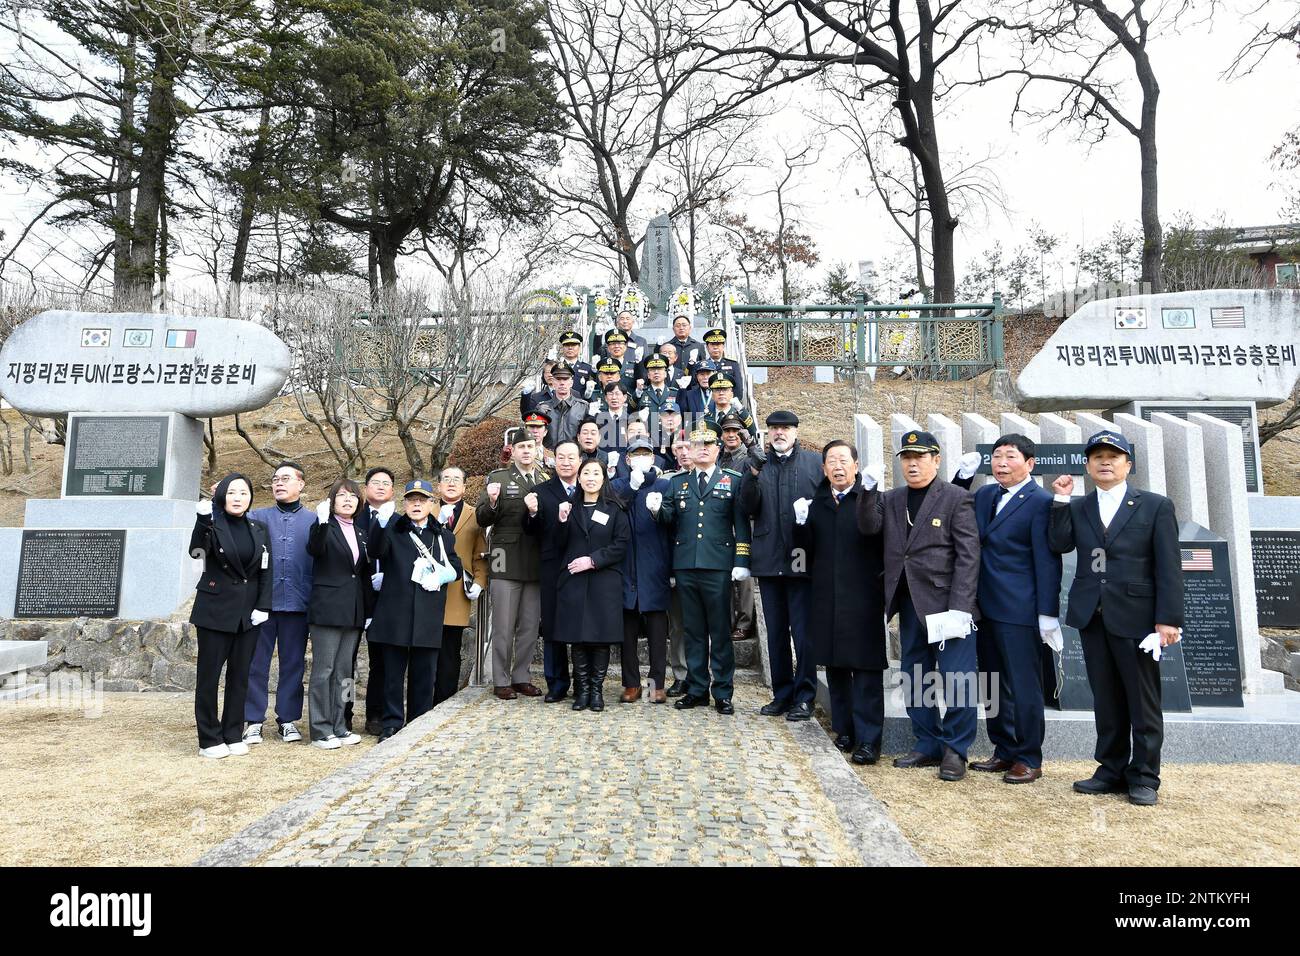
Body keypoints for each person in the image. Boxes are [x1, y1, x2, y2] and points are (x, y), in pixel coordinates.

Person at [1049, 430, 1183, 806]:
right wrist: (1061, 499)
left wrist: (1168, 619)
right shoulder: (1080, 506)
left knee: (1142, 701)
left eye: (1113, 456)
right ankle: (1109, 769)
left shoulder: (1155, 506)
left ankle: (1144, 776)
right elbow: (1058, 544)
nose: (1104, 462)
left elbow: (1169, 566)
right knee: (1105, 699)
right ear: (1088, 466)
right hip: (1093, 615)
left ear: (1128, 464)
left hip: (1138, 618)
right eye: (1097, 457)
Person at [856, 430, 981, 781]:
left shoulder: (956, 497)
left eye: (920, 457)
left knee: (958, 679)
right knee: (915, 676)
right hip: (910, 601)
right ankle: (926, 742)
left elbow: (969, 556)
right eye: (907, 458)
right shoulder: (893, 498)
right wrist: (867, 490)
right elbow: (868, 527)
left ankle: (955, 748)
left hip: (947, 605)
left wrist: (961, 606)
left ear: (936, 460)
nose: (912, 464)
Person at [963, 434, 1063, 784]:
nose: (1001, 463)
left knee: (1024, 686)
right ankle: (1003, 749)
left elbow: (1048, 562)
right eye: (997, 457)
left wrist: (1047, 613)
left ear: (1030, 463)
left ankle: (1029, 756)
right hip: (983, 606)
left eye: (1010, 457)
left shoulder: (1040, 501)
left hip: (1020, 609)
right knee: (992, 683)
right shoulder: (986, 495)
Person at [792, 441, 887, 765]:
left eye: (843, 460)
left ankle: (869, 740)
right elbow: (804, 553)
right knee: (835, 668)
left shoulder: (870, 499)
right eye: (831, 461)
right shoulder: (817, 504)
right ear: (823, 469)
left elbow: (877, 535)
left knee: (865, 671)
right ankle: (844, 730)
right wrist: (800, 523)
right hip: (826, 598)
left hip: (863, 599)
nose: (837, 466)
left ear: (856, 466)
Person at [651, 420, 751, 714]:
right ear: (689, 451)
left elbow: (741, 526)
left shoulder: (732, 480)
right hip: (685, 565)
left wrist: (741, 561)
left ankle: (722, 692)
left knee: (719, 631)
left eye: (708, 445)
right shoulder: (678, 483)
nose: (703, 450)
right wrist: (658, 510)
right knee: (693, 631)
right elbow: (669, 522)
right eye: (697, 445)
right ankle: (696, 689)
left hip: (718, 566)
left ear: (718, 449)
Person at [739, 409, 821, 720]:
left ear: (796, 432)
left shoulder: (813, 464)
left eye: (785, 428)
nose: (779, 434)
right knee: (775, 633)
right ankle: (782, 693)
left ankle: (805, 695)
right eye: (774, 429)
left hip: (801, 559)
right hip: (769, 558)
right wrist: (752, 475)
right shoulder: (758, 464)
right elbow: (747, 506)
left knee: (803, 633)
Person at [367, 479, 463, 739]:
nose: (417, 504)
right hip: (395, 613)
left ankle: (418, 722)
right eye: (411, 500)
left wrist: (442, 576)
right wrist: (380, 524)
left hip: (427, 614)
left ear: (432, 503)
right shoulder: (393, 530)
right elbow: (375, 550)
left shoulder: (442, 535)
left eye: (422, 500)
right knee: (392, 676)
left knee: (424, 674)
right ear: (405, 503)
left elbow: (455, 568)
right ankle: (391, 722)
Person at [190, 474, 272, 758]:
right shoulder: (212, 524)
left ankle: (233, 732)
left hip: (248, 614)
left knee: (240, 676)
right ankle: (209, 738)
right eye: (232, 492)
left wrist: (264, 606)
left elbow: (265, 570)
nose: (238, 497)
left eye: (244, 492)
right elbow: (196, 552)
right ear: (222, 496)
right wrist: (202, 520)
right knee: (209, 677)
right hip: (215, 611)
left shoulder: (259, 528)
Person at [243, 461, 316, 746]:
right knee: (256, 664)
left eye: (286, 478)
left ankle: (287, 719)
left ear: (301, 484)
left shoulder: (315, 520)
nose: (279, 483)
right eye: (275, 479)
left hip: (299, 602)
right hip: (262, 603)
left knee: (293, 664)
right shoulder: (257, 516)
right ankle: (252, 720)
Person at [477, 428, 550, 699]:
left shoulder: (545, 478)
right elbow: (482, 518)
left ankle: (521, 676)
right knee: (504, 625)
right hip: (504, 558)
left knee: (530, 626)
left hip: (534, 558)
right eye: (521, 447)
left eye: (530, 447)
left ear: (536, 449)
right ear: (513, 451)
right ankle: (501, 679)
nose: (526, 451)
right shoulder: (499, 477)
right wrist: (493, 501)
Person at [555, 458, 631, 712]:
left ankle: (596, 690)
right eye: (585, 472)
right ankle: (583, 689)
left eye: (595, 473)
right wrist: (562, 521)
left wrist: (593, 560)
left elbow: (621, 544)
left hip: (604, 581)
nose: (590, 477)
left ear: (603, 478)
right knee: (578, 638)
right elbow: (558, 545)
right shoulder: (569, 508)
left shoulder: (614, 508)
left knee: (600, 638)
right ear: (579, 478)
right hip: (574, 582)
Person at [304, 478, 370, 749]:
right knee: (324, 670)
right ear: (332, 501)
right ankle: (320, 729)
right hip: (327, 609)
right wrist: (320, 523)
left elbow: (362, 574)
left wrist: (367, 610)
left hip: (353, 610)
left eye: (352, 496)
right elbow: (315, 549)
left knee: (345, 671)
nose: (347, 500)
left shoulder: (361, 532)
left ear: (359, 502)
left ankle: (340, 725)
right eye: (341, 496)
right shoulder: (323, 527)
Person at [610, 438, 673, 703]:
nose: (641, 458)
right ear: (627, 459)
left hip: (654, 565)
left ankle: (656, 683)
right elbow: (612, 509)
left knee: (658, 630)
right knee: (627, 632)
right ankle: (631, 683)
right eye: (636, 454)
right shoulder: (617, 486)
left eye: (646, 453)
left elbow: (673, 526)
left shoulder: (664, 485)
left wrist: (661, 512)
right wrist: (632, 488)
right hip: (625, 566)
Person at [523, 440, 583, 702]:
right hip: (552, 566)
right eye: (561, 457)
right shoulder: (541, 491)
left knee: (584, 624)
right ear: (553, 460)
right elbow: (529, 531)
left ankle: (584, 682)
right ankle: (556, 683)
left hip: (584, 566)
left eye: (571, 457)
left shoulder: (590, 486)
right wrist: (533, 513)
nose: (566, 462)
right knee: (552, 625)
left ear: (580, 460)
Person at [433, 466, 489, 706]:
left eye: (457, 480)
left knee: (450, 651)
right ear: (439, 485)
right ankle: (423, 701)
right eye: (446, 479)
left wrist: (479, 581)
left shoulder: (473, 515)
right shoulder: (425, 510)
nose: (451, 483)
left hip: (457, 591)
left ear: (465, 487)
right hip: (428, 590)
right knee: (426, 651)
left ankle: (444, 701)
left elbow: (480, 554)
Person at [352, 466, 397, 735]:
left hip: (386, 599)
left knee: (381, 660)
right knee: (347, 661)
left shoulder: (397, 520)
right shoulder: (352, 517)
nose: (380, 487)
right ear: (366, 488)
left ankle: (376, 714)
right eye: (375, 482)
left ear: (392, 490)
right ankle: (343, 713)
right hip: (354, 597)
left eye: (386, 483)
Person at [535, 362, 589, 448]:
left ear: (571, 382)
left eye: (565, 379)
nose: (562, 383)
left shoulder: (583, 407)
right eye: (558, 379)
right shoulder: (542, 408)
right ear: (553, 382)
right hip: (550, 457)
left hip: (574, 456)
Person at [701, 328, 745, 403]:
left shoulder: (733, 365)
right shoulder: (701, 366)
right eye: (712, 344)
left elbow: (738, 389)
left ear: (723, 346)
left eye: (718, 344)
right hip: (706, 404)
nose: (715, 347)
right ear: (707, 347)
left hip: (727, 404)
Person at [557, 331, 596, 399]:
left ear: (579, 347)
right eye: (567, 345)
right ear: (562, 348)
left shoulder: (587, 368)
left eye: (573, 345)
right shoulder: (557, 368)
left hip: (581, 405)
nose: (570, 348)